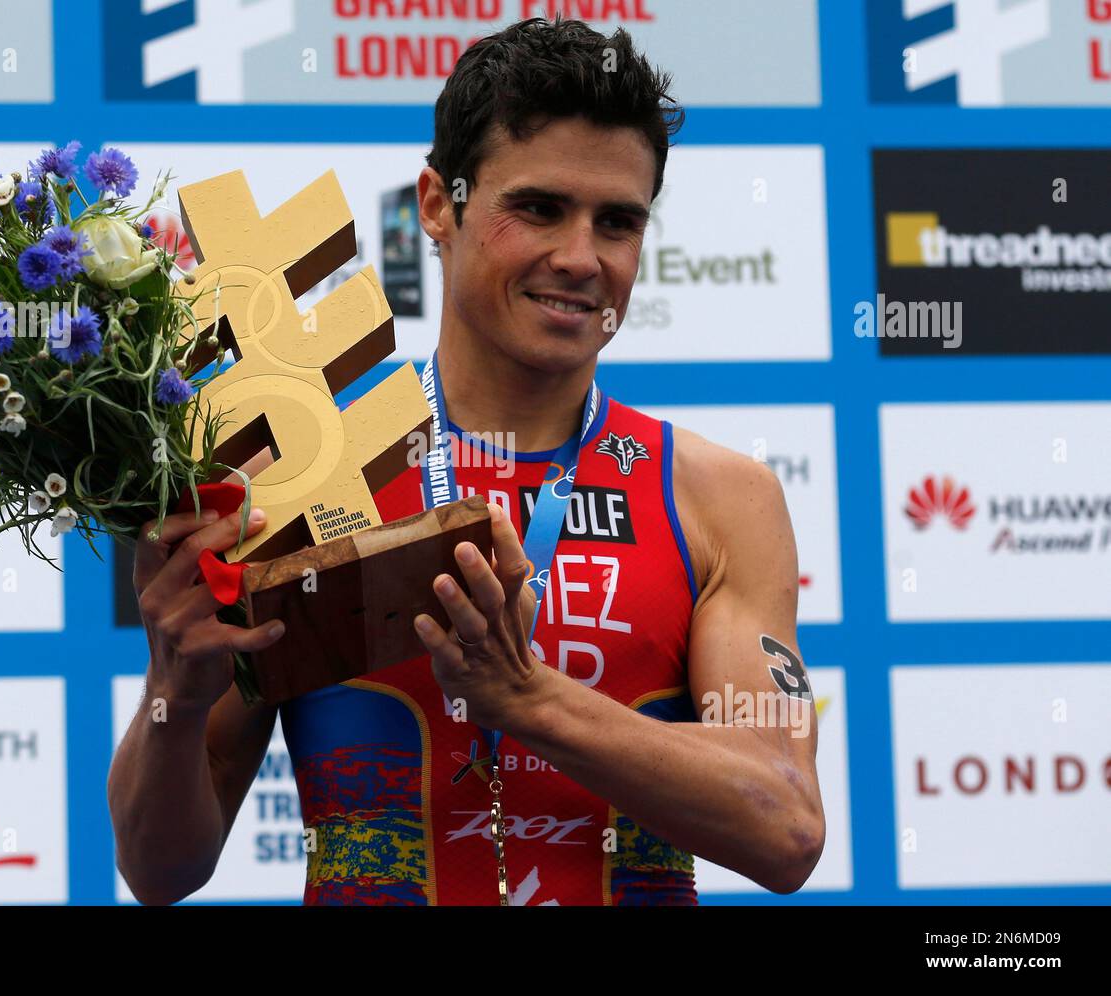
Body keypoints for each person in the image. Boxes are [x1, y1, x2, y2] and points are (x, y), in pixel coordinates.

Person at [109, 15, 824, 906]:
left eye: (618, 221)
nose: (580, 258)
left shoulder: (721, 499)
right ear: (439, 205)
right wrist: (172, 695)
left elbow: (787, 825)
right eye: (538, 208)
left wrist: (524, 699)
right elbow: (158, 869)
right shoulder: (294, 473)